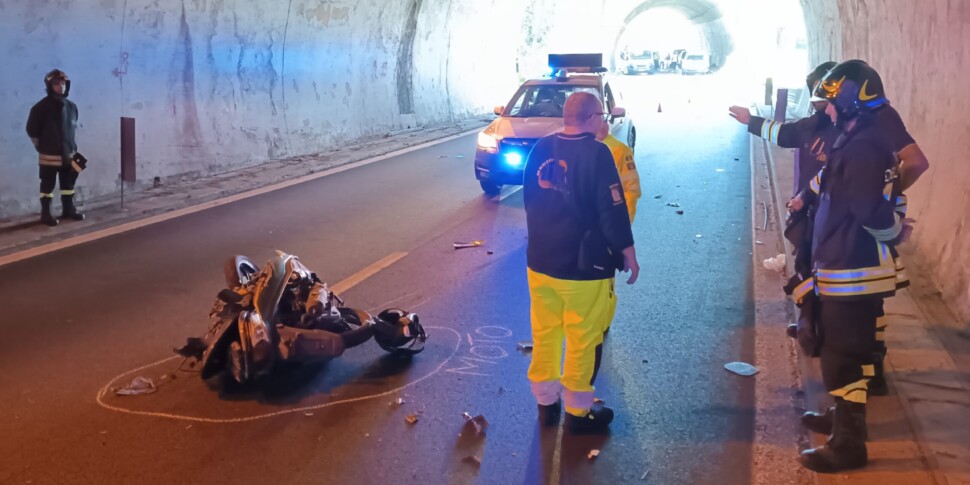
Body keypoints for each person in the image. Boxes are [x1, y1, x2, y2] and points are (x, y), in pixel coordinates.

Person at [797, 60, 913, 473]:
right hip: (846, 265)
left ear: (851, 102)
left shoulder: (863, 145)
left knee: (841, 354)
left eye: (831, 102)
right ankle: (844, 420)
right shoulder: (857, 137)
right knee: (850, 352)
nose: (826, 109)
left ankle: (848, 445)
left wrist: (894, 229)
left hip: (852, 271)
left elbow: (866, 207)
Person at [523, 92, 639, 434]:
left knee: (545, 333)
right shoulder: (598, 153)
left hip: (540, 263)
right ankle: (578, 411)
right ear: (591, 118)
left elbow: (530, 200)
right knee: (583, 336)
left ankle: (546, 404)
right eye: (601, 116)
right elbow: (612, 209)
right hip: (583, 268)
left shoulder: (540, 148)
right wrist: (627, 252)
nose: (604, 122)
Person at [729, 62, 840, 355]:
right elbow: (784, 133)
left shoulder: (848, 132)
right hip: (809, 214)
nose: (816, 103)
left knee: (827, 273)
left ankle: (826, 333)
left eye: (821, 96)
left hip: (834, 216)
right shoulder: (813, 126)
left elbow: (833, 172)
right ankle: (810, 327)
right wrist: (751, 121)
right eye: (813, 95)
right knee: (805, 268)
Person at [26, 69, 85, 226]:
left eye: (63, 83)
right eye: (57, 83)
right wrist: (42, 147)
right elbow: (32, 130)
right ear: (49, 86)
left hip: (69, 154)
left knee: (68, 185)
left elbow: (71, 130)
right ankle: (46, 214)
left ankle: (68, 210)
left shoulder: (72, 107)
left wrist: (72, 150)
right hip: (49, 156)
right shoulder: (40, 108)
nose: (61, 87)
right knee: (47, 186)